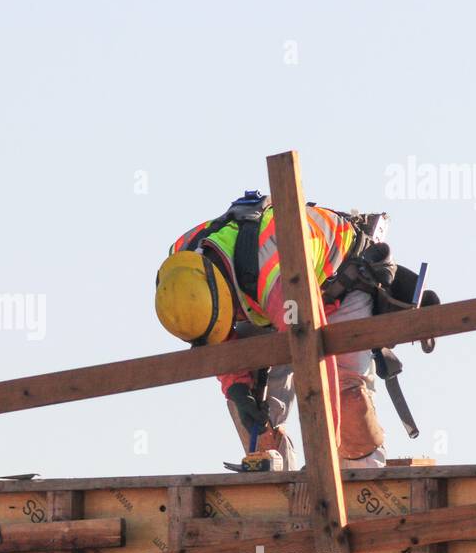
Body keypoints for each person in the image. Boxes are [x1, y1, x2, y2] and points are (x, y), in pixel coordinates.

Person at [154, 191, 435, 469]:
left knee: (342, 387)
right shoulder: (184, 269)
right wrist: (238, 389)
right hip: (259, 291)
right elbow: (217, 340)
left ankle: (361, 476)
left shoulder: (278, 278)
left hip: (339, 283)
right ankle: (277, 481)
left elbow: (315, 362)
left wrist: (323, 462)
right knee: (252, 403)